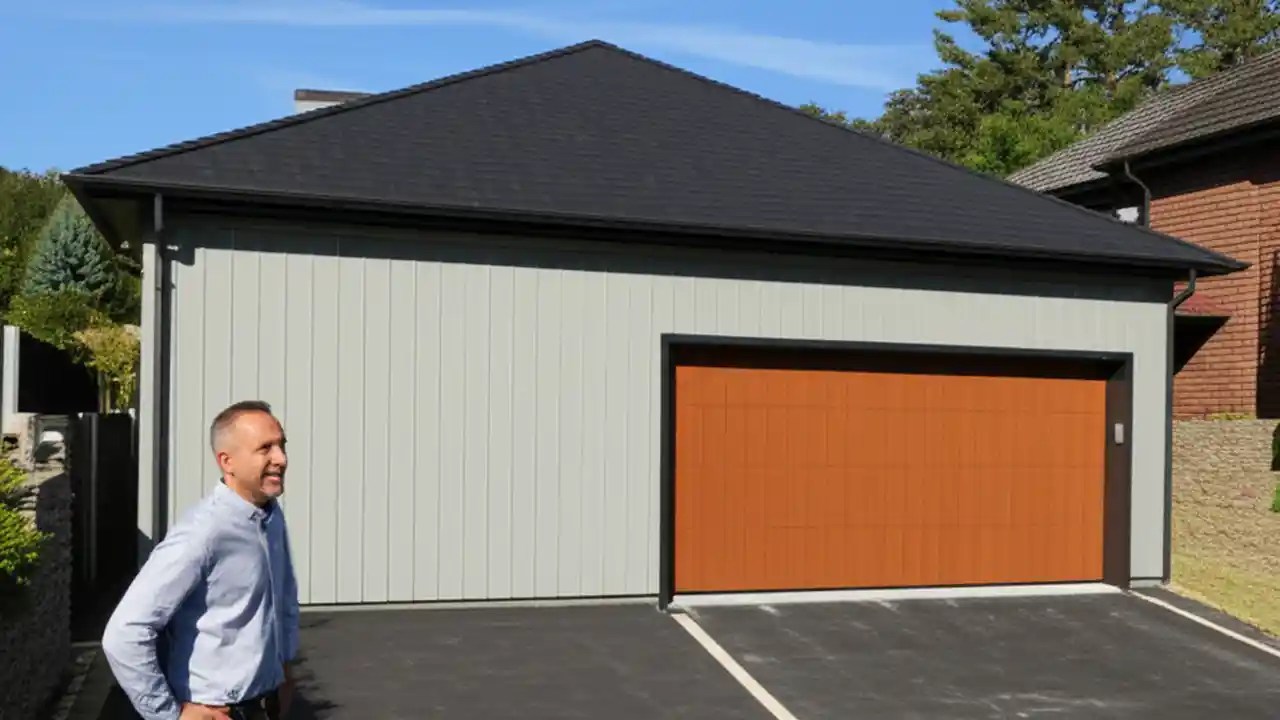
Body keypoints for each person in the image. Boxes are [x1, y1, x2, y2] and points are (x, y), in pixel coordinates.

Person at [103, 400, 300, 720]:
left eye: (282, 445)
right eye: (265, 448)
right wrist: (170, 715)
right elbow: (124, 633)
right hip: (220, 710)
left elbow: (284, 598)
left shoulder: (270, 516)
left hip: (266, 704)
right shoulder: (202, 533)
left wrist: (285, 667)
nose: (281, 458)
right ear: (227, 461)